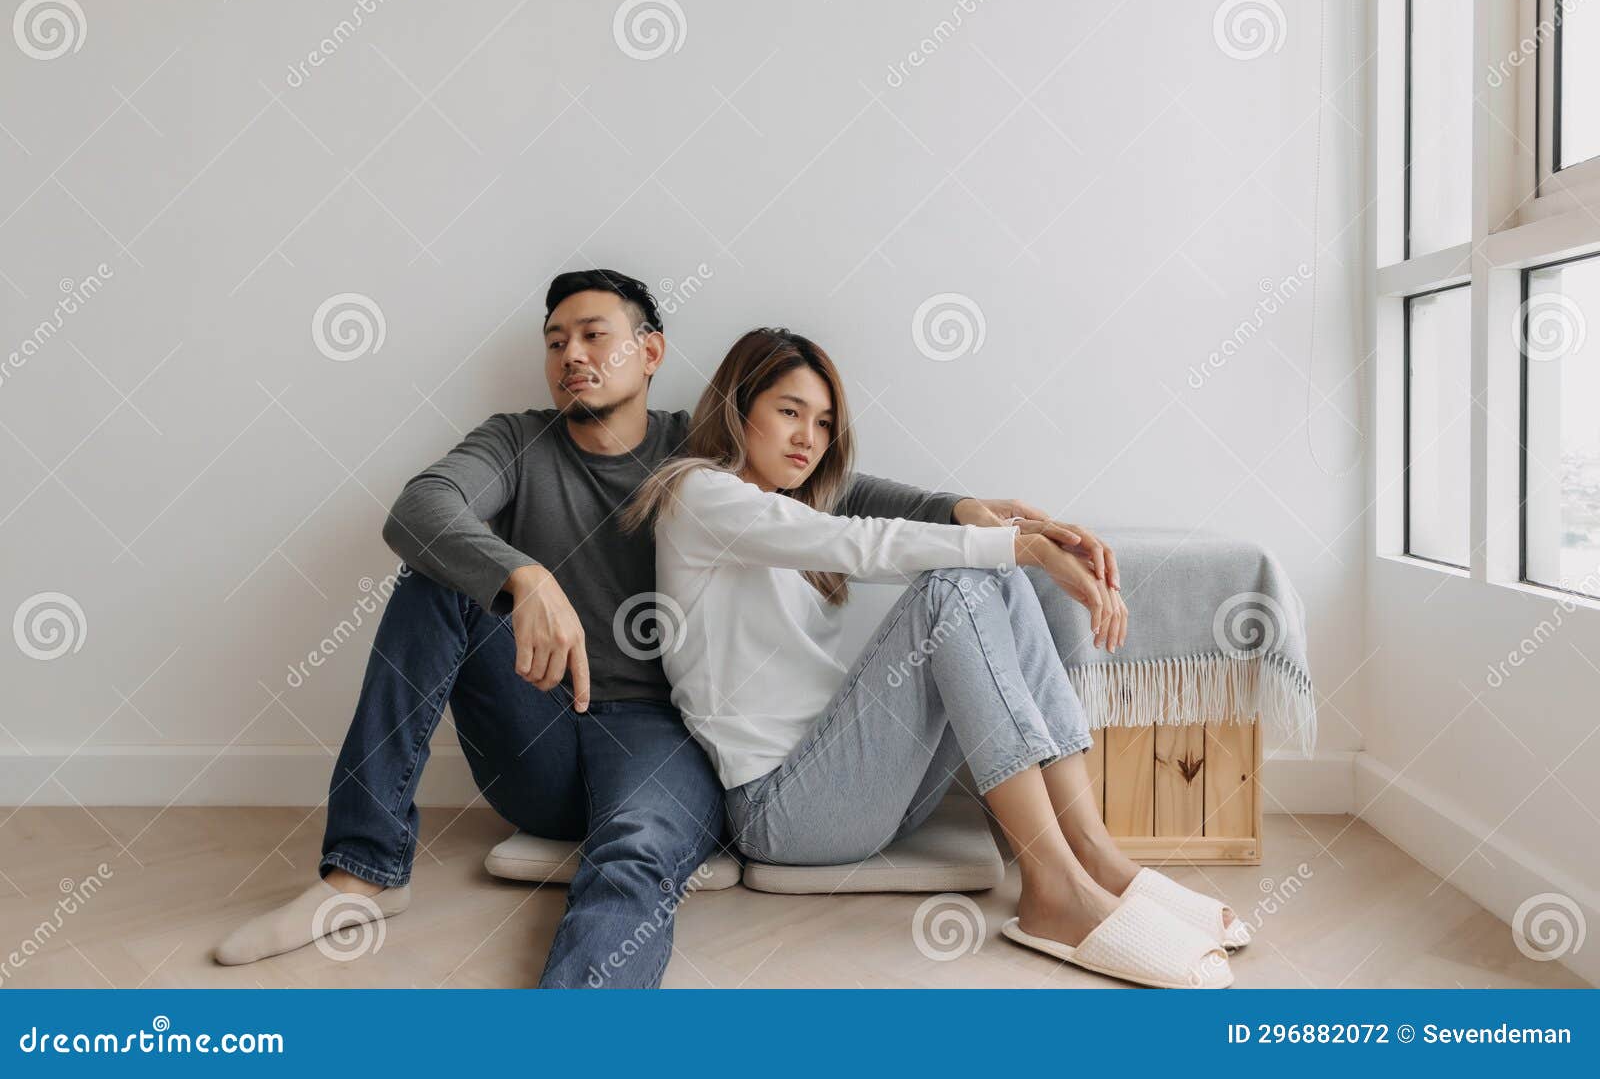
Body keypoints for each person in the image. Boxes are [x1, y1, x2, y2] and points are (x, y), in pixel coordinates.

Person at [211, 270, 1092, 987]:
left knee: (635, 859)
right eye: (557, 341)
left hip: (659, 733)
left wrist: (961, 508)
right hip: (539, 727)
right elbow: (420, 509)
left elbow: (834, 497)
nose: (573, 356)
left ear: (650, 351)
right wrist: (522, 577)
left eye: (595, 335)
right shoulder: (515, 443)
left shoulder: (698, 453)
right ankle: (361, 874)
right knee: (430, 581)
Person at [623, 326, 1245, 988]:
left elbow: (884, 531)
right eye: (789, 412)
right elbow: (860, 544)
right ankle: (1054, 887)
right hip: (782, 811)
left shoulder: (783, 506)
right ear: (736, 407)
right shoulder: (697, 496)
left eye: (824, 422)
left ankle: (1094, 856)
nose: (809, 436)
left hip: (858, 791)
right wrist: (1018, 544)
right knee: (958, 581)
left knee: (995, 576)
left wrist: (1016, 545)